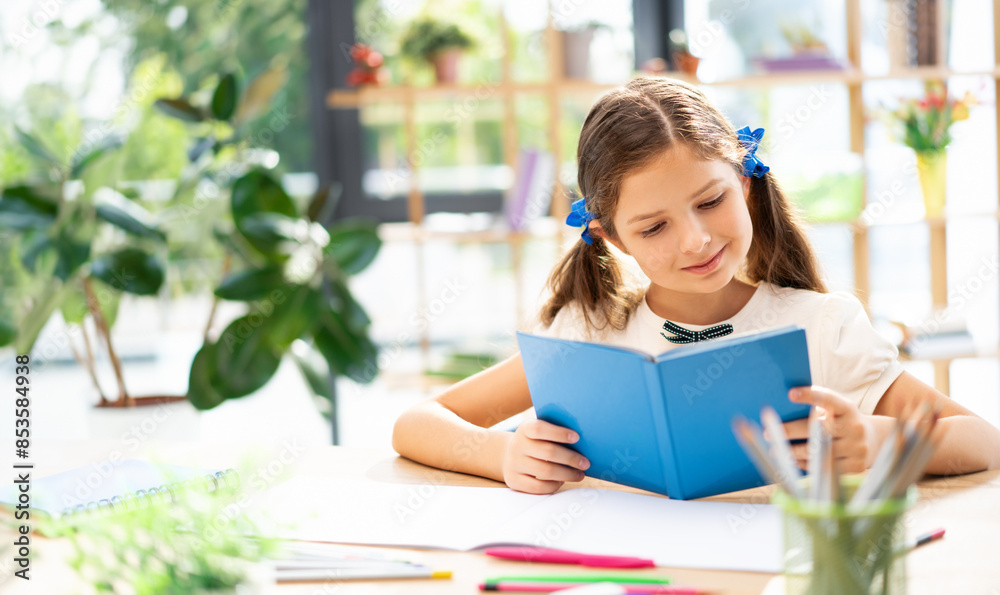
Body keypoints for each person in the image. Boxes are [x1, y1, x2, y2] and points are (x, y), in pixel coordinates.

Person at [392, 77, 1000, 495]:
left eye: (711, 201)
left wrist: (876, 439)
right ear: (612, 238)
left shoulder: (824, 327)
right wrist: (502, 455)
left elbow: (981, 440)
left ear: (746, 184)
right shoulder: (590, 332)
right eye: (654, 226)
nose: (696, 240)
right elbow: (417, 422)